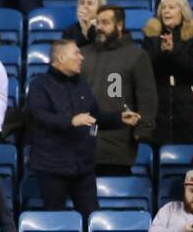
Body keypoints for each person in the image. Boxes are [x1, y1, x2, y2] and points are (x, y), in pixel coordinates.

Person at [25, 40, 138, 219]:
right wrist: (71, 121)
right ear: (61, 57)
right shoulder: (40, 85)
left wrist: (119, 118)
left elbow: (93, 117)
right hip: (52, 167)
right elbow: (40, 116)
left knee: (92, 216)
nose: (81, 57)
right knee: (56, 220)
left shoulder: (81, 84)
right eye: (76, 53)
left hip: (83, 166)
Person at [82, 6, 157, 176]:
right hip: (84, 145)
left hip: (117, 146)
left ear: (120, 25)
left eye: (105, 23)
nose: (99, 27)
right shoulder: (84, 54)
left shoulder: (136, 55)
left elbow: (147, 97)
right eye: (97, 22)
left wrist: (142, 131)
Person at [141, 0, 193, 146]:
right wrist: (162, 52)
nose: (166, 11)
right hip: (158, 102)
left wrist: (174, 51)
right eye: (163, 7)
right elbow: (144, 68)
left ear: (182, 11)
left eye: (171, 7)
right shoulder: (151, 36)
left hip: (187, 103)